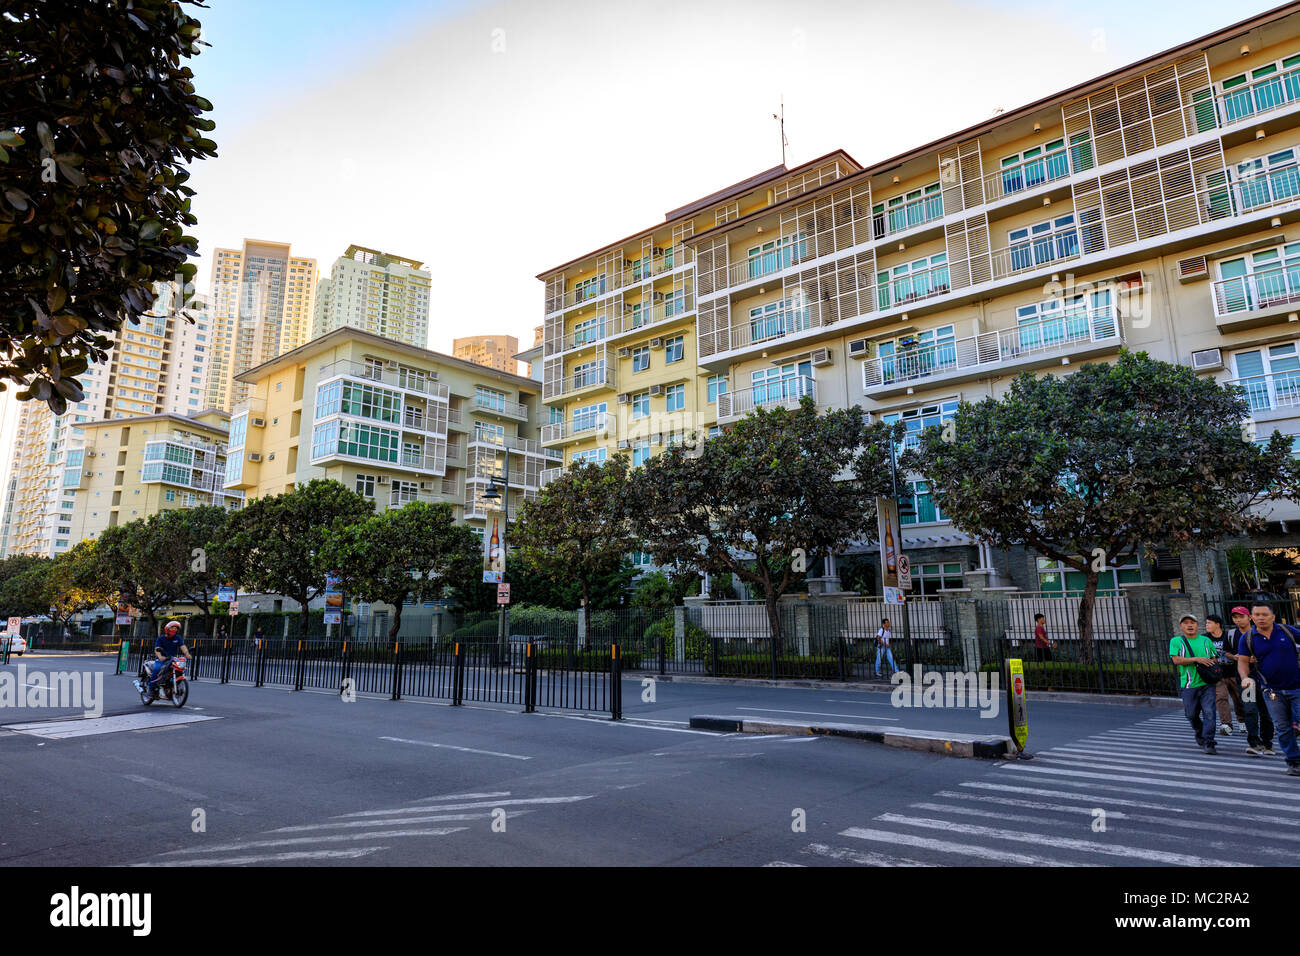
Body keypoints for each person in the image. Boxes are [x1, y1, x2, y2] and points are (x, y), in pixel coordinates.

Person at [1237, 603, 1300, 777]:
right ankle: (1294, 762)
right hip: (1271, 691)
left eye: (1264, 614)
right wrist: (1245, 678)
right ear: (1252, 616)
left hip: (1297, 687)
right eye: (1257, 614)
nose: (1260, 618)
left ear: (1273, 616)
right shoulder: (1248, 638)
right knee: (1283, 727)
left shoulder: (1286, 631)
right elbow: (1242, 662)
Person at [1228, 606, 1274, 755]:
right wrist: (1235, 657)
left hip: (1264, 678)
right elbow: (1226, 652)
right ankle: (1254, 742)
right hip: (1245, 679)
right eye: (1235, 617)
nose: (1238, 620)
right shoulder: (1231, 634)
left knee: (1266, 711)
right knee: (1249, 710)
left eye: (1241, 616)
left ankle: (1267, 743)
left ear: (1249, 617)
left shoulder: (1260, 632)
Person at [1170, 613, 1218, 754]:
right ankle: (1200, 732)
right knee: (1191, 715)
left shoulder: (1206, 641)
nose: (1190, 625)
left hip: (1207, 684)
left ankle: (1209, 742)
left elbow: (1214, 659)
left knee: (1209, 713)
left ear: (1197, 625)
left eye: (1193, 622)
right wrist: (1197, 659)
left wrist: (1209, 663)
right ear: (1181, 626)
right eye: (1186, 623)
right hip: (1189, 685)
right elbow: (1176, 660)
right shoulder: (1176, 641)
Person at [1205, 614, 1245, 736]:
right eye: (1206, 623)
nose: (1206, 625)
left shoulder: (1229, 635)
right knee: (1221, 698)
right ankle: (1226, 725)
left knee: (1239, 698)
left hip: (1233, 672)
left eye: (1209, 623)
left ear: (1217, 624)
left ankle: (1242, 722)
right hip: (1217, 674)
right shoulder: (1205, 639)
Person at [137, 620, 190, 699]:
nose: (174, 630)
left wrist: (187, 654)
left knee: (179, 670)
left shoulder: (177, 638)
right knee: (157, 669)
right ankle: (151, 689)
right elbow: (157, 648)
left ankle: (171, 687)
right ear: (167, 629)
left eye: (176, 628)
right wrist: (160, 656)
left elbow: (182, 646)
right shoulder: (161, 638)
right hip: (161, 659)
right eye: (172, 628)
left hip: (172, 659)